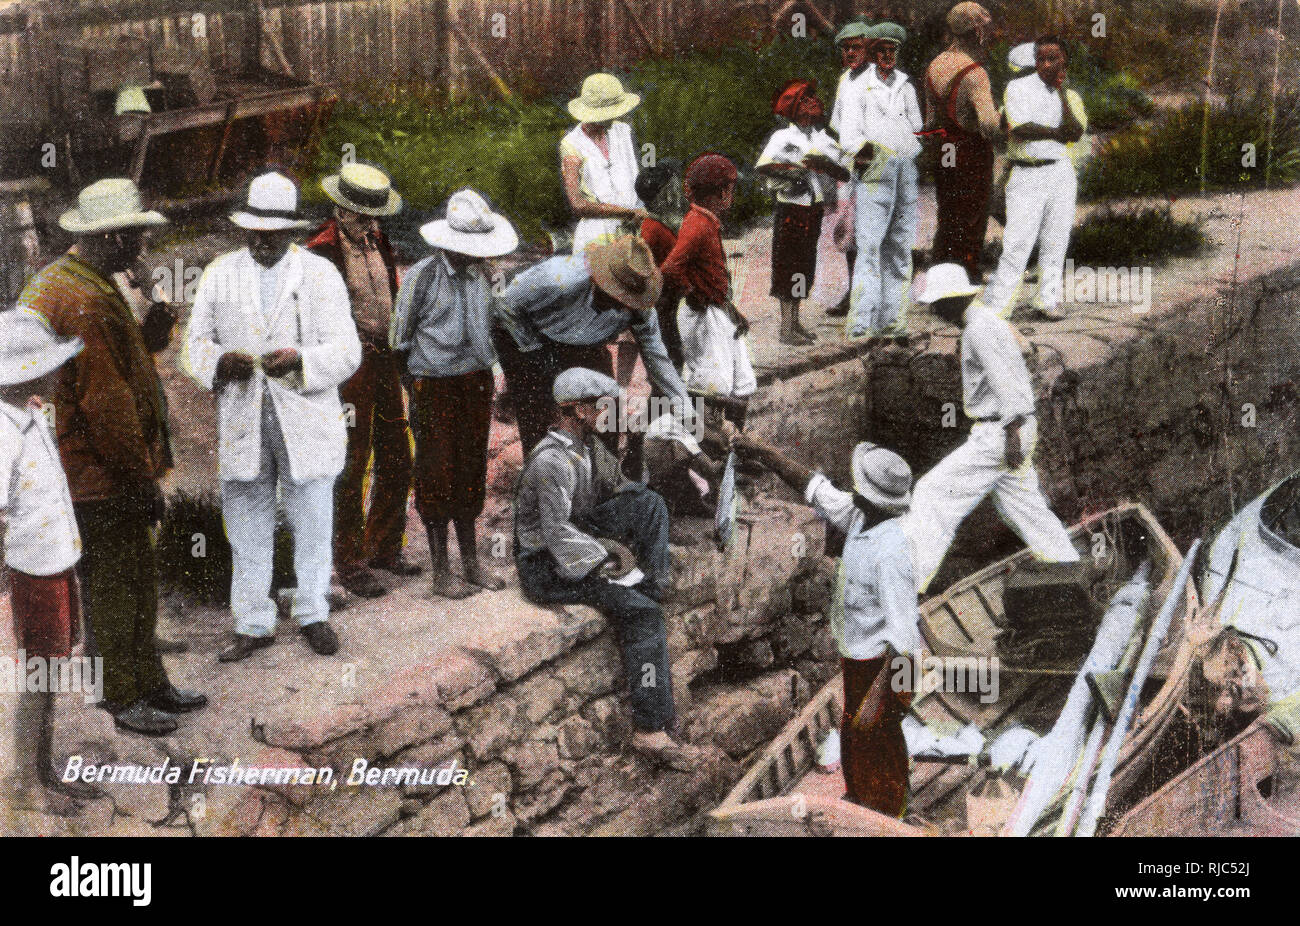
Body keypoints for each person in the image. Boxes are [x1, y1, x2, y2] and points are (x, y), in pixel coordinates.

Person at [17, 178, 205, 737]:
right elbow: (107, 405)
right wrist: (142, 480)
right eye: (135, 235)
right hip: (98, 472)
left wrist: (154, 303)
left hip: (87, 466)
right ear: (114, 237)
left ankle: (149, 681)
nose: (143, 244)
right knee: (118, 585)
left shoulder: (79, 281)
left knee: (133, 577)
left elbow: (132, 352)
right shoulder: (88, 299)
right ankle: (124, 696)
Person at [183, 172, 360, 662]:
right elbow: (194, 345)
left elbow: (348, 351)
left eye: (273, 234)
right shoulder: (220, 273)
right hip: (245, 412)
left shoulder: (320, 275)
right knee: (246, 520)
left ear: (291, 232)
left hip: (304, 414)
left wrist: (302, 360)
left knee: (312, 514)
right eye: (254, 233)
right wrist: (221, 362)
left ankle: (313, 611)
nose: (262, 243)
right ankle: (253, 621)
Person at [513, 367, 695, 770]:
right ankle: (649, 729)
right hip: (547, 564)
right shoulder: (551, 461)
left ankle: (650, 585)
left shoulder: (589, 446)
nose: (610, 413)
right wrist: (609, 553)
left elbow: (623, 489)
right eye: (603, 407)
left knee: (649, 503)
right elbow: (556, 533)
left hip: (578, 537)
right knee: (644, 616)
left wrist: (639, 450)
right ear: (579, 410)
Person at [734, 431, 919, 816]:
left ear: (871, 497)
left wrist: (881, 697)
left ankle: (890, 813)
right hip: (858, 658)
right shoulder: (860, 515)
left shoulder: (892, 553)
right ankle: (861, 800)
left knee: (876, 735)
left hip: (888, 667)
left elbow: (905, 641)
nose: (851, 488)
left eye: (859, 485)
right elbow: (813, 487)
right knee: (855, 733)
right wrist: (763, 450)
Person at [904, 263, 1079, 592]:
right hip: (1010, 429)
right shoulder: (983, 323)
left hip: (1001, 431)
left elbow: (1007, 383)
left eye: (938, 303)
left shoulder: (979, 330)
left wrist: (1011, 435)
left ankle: (909, 583)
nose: (935, 311)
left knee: (931, 493)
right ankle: (1068, 563)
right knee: (1024, 509)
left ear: (955, 300)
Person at [0, 309, 106, 814]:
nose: (57, 374)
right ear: (24, 375)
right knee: (38, 677)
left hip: (56, 561)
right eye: (47, 367)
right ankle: (24, 779)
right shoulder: (4, 433)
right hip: (33, 570)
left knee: (52, 669)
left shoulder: (29, 415)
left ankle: (43, 770)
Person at [391, 189, 518, 600]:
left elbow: (495, 328)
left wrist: (497, 376)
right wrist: (416, 391)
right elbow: (400, 341)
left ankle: (471, 563)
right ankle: (441, 571)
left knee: (469, 469)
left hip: (475, 381)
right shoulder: (422, 276)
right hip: (434, 383)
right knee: (435, 471)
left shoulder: (483, 277)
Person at [307, 162, 419, 600]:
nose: (369, 223)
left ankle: (384, 546)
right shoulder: (321, 251)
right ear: (341, 209)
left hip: (384, 356)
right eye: (361, 214)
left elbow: (391, 295)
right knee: (352, 460)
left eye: (374, 215)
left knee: (397, 452)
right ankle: (348, 559)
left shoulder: (378, 241)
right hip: (348, 365)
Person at [493, 234, 691, 455]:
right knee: (542, 412)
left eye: (627, 302)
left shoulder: (641, 309)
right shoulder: (559, 277)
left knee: (604, 407)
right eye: (615, 297)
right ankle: (545, 466)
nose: (620, 306)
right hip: (526, 332)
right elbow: (505, 305)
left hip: (583, 340)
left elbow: (657, 357)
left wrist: (686, 411)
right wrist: (534, 351)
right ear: (598, 281)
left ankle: (603, 468)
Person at [977, 36, 1086, 321]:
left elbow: (1074, 132)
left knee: (1056, 240)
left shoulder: (1070, 96)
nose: (1046, 65)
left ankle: (1046, 300)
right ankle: (999, 307)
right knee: (1017, 243)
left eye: (1053, 59)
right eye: (1041, 59)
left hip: (1060, 172)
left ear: (1064, 61)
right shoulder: (1018, 88)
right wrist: (1056, 133)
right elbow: (1021, 128)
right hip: (1027, 173)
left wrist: (1061, 94)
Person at [562, 72, 651, 390]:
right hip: (596, 235)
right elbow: (578, 203)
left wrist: (639, 210)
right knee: (594, 314)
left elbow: (634, 180)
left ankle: (621, 387)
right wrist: (624, 211)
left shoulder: (623, 132)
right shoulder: (572, 146)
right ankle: (594, 384)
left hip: (629, 232)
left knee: (633, 314)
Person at [841, 22, 923, 340]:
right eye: (882, 51)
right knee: (870, 245)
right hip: (875, 171)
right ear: (873, 54)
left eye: (893, 50)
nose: (888, 56)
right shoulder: (858, 87)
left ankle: (893, 320)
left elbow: (917, 127)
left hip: (904, 169)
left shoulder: (905, 86)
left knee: (900, 246)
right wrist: (870, 152)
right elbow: (849, 135)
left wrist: (908, 148)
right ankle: (861, 322)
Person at [661, 154, 756, 428]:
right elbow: (670, 268)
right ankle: (710, 443)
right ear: (723, 192)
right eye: (731, 189)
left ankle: (733, 442)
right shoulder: (698, 224)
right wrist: (693, 293)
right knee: (713, 388)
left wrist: (732, 312)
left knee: (742, 384)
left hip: (717, 309)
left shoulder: (704, 221)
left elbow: (711, 279)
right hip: (703, 315)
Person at [757, 79, 850, 346]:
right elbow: (764, 166)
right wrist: (796, 173)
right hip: (791, 207)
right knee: (788, 263)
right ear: (796, 110)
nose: (814, 102)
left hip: (813, 209)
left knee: (804, 264)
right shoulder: (783, 138)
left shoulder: (823, 139)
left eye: (813, 98)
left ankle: (795, 321)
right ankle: (786, 327)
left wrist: (825, 166)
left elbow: (844, 172)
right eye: (806, 100)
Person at [924, 2, 1003, 280]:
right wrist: (1003, 117)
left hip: (944, 150)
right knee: (972, 214)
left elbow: (929, 122)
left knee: (948, 213)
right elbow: (989, 125)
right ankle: (967, 274)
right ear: (977, 31)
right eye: (986, 29)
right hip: (971, 151)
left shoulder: (934, 66)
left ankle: (942, 274)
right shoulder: (975, 73)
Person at [826, 18, 874, 319]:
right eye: (845, 48)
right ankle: (855, 292)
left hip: (874, 166)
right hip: (849, 167)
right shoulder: (845, 79)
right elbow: (838, 124)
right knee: (850, 231)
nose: (851, 53)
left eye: (856, 47)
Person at [635, 159, 686, 371]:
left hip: (670, 297)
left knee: (672, 350)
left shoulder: (658, 222)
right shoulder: (653, 228)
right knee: (671, 353)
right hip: (665, 299)